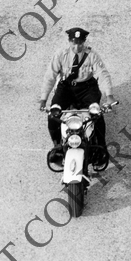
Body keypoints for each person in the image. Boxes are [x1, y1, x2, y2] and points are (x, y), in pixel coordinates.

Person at [39, 28, 115, 163]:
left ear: (84, 42)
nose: (77, 46)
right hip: (66, 88)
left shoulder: (91, 55)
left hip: (87, 88)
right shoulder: (61, 55)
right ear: (69, 41)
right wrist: (43, 99)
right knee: (53, 114)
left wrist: (109, 96)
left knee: (96, 115)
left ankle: (101, 147)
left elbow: (102, 75)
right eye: (74, 42)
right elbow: (50, 76)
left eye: (80, 43)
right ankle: (57, 146)